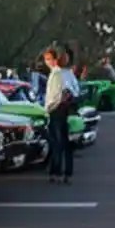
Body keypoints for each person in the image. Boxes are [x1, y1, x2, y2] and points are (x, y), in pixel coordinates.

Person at [43, 47, 77, 184]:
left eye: (49, 59)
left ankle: (57, 171)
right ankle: (64, 171)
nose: (47, 62)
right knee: (63, 141)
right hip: (61, 109)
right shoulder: (61, 73)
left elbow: (62, 92)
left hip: (56, 110)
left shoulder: (57, 74)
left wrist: (54, 104)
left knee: (58, 142)